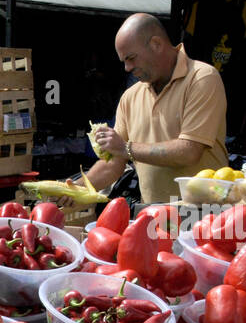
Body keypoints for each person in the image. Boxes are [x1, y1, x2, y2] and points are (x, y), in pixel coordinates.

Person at [87, 13, 230, 204]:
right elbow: (113, 163)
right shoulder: (130, 97)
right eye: (124, 61)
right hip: (154, 218)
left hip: (206, 213)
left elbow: (189, 151)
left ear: (156, 44)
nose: (127, 68)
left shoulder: (201, 78)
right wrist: (76, 188)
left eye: (131, 58)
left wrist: (126, 148)